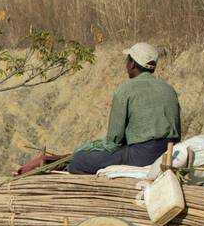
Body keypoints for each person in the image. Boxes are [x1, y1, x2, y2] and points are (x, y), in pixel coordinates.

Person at [68, 43, 181, 175]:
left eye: (127, 60)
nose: (126, 64)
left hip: (140, 156)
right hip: (167, 153)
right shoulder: (169, 89)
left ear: (132, 64)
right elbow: (177, 131)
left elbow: (114, 139)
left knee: (78, 161)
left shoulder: (125, 90)